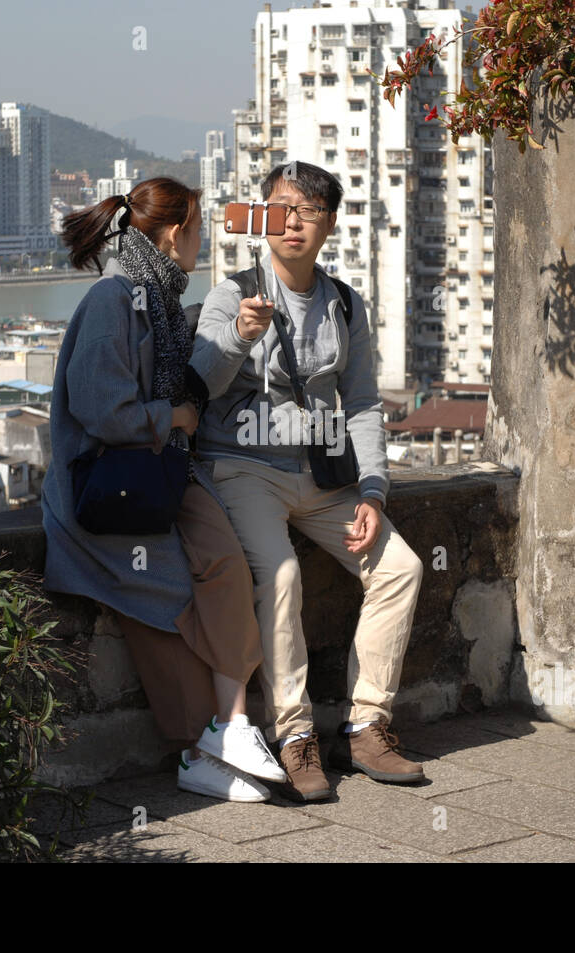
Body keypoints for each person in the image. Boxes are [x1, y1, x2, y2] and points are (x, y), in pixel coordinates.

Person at [41, 177, 286, 802]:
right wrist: (170, 419)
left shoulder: (162, 300)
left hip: (165, 472)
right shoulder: (113, 300)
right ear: (175, 233)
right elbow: (100, 408)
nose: (202, 243)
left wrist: (237, 339)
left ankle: (229, 727)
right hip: (108, 486)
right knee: (172, 589)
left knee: (227, 565)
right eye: (199, 229)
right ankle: (195, 746)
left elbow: (195, 382)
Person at [189, 161, 426, 802]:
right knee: (282, 574)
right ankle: (293, 736)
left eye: (309, 211)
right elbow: (199, 384)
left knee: (401, 567)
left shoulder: (345, 305)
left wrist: (373, 490)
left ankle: (368, 724)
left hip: (323, 474)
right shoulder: (229, 294)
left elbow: (364, 404)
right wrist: (239, 334)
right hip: (243, 468)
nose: (293, 222)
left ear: (329, 224)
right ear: (261, 215)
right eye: (281, 207)